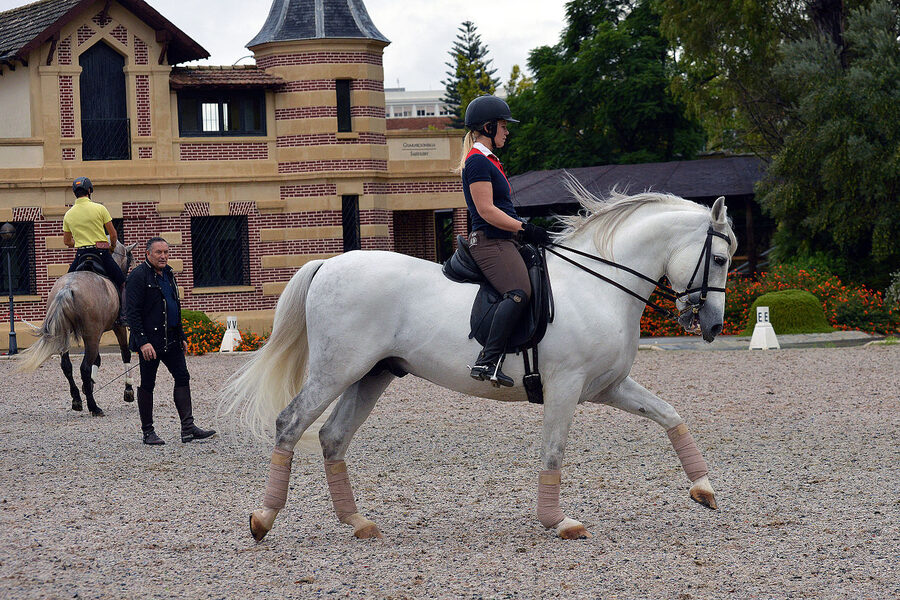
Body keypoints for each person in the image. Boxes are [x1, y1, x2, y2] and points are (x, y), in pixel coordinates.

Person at [459, 95, 551, 387]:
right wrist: (525, 228)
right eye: (503, 126)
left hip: (503, 239)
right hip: (489, 241)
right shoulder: (476, 162)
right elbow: (486, 211)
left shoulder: (490, 161)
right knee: (519, 291)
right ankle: (488, 360)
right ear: (487, 127)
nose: (507, 131)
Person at [125, 237, 215, 445]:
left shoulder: (169, 273)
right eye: (159, 252)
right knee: (148, 384)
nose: (163, 256)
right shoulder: (138, 276)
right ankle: (148, 432)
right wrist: (143, 342)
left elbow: (174, 305)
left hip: (172, 338)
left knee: (182, 377)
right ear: (148, 254)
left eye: (166, 252)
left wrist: (181, 334)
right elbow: (132, 313)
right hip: (150, 342)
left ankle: (188, 428)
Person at [63, 177, 126, 325]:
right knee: (123, 283)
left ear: (75, 193)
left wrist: (78, 242)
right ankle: (124, 316)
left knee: (66, 285)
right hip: (101, 254)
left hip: (81, 255)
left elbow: (67, 241)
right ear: (90, 191)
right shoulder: (100, 208)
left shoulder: (69, 214)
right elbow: (113, 235)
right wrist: (111, 247)